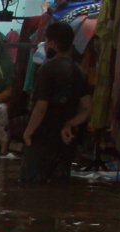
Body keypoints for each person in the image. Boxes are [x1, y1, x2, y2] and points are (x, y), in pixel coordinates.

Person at [20, 21, 92, 183]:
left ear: (52, 43)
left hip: (42, 138)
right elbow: (87, 108)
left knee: (32, 186)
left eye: (46, 42)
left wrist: (28, 132)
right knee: (58, 186)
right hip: (65, 141)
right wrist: (69, 124)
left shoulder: (47, 70)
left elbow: (41, 107)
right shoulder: (79, 71)